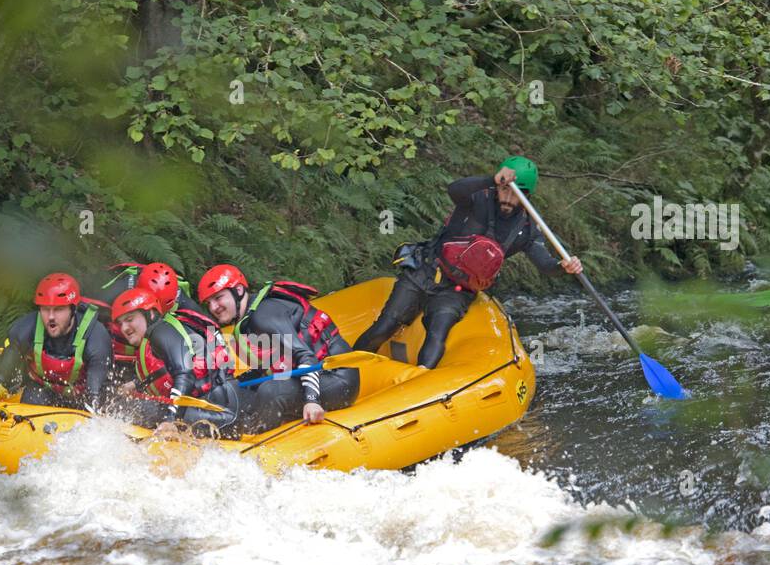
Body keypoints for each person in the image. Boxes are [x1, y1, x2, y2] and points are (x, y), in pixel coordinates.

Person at [354, 156, 583, 368]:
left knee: (437, 334)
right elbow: (454, 189)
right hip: (425, 270)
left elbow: (545, 265)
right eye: (504, 190)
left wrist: (562, 267)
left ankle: (418, 380)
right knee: (384, 327)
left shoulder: (527, 228)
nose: (508, 198)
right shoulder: (476, 199)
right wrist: (491, 180)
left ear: (527, 196)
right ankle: (346, 369)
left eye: (516, 194)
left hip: (458, 290)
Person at [198, 264, 359, 434]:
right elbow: (274, 360)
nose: (213, 307)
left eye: (218, 298)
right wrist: (236, 385)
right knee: (232, 389)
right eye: (209, 302)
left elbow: (306, 356)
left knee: (271, 391)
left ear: (238, 291)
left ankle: (253, 438)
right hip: (313, 376)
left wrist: (312, 400)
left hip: (338, 379)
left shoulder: (263, 314)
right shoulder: (250, 316)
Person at [0, 272, 113, 412]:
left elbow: (94, 396)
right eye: (45, 309)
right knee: (33, 399)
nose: (50, 317)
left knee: (89, 406)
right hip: (40, 392)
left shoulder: (96, 338)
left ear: (73, 310)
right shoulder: (24, 330)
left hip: (79, 398)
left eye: (58, 309)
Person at [108, 286, 241, 435]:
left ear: (150, 314)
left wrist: (171, 419)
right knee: (138, 408)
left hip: (222, 409)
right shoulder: (158, 334)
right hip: (211, 404)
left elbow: (185, 374)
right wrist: (136, 384)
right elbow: (165, 371)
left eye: (129, 319)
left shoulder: (161, 332)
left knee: (145, 410)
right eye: (120, 324)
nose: (125, 328)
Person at [98, 262, 204, 372]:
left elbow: (210, 331)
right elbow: (91, 309)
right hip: (124, 337)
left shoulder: (184, 303)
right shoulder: (123, 287)